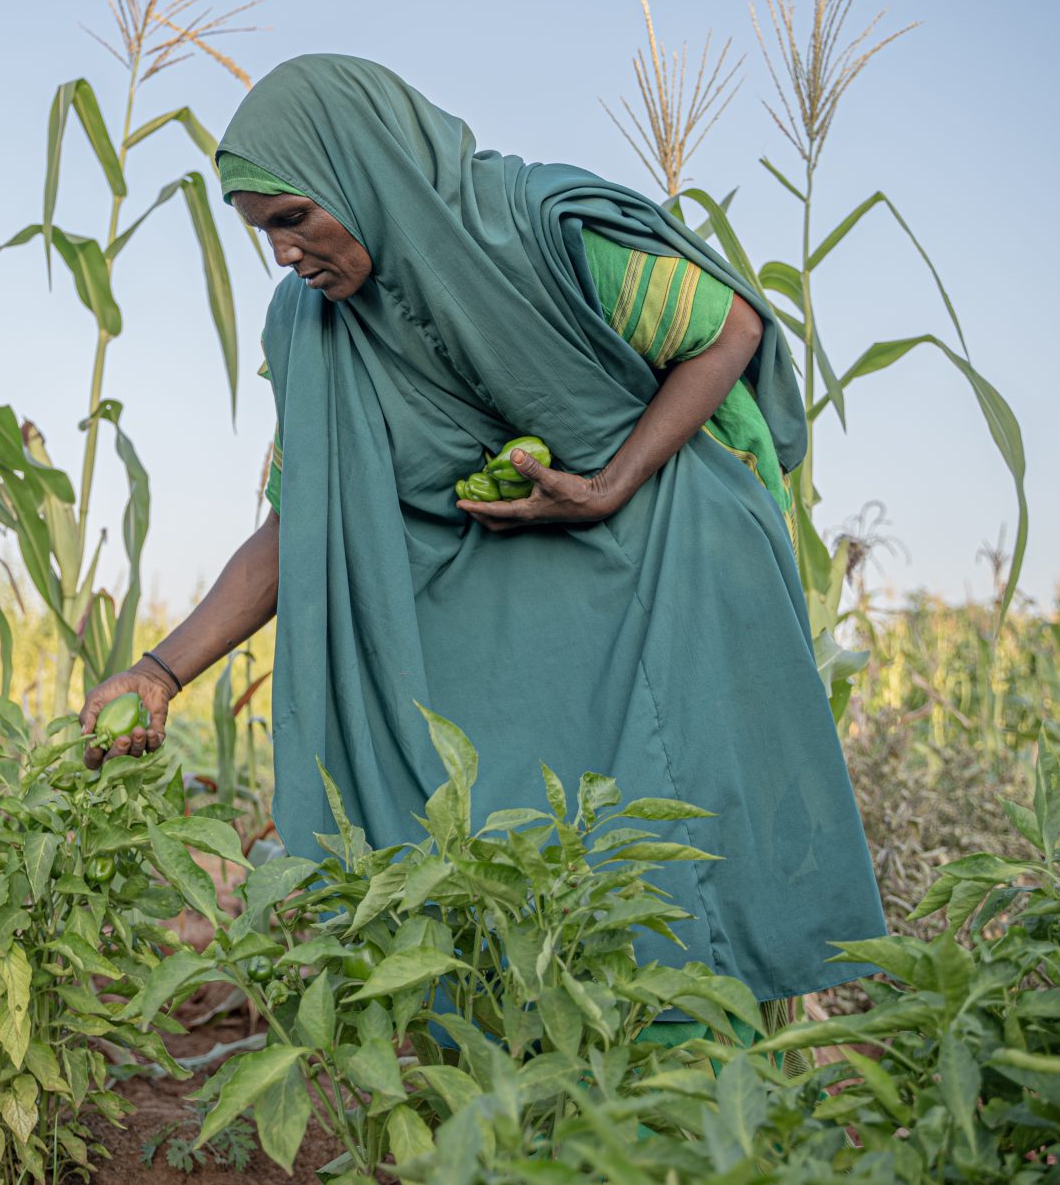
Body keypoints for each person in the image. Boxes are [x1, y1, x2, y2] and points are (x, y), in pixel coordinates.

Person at [78, 53, 886, 1031]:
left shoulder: (535, 235)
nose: (283, 254)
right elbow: (302, 522)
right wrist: (161, 672)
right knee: (523, 882)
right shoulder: (312, 328)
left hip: (670, 564)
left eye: (293, 218)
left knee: (673, 880)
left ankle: (697, 1125)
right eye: (263, 234)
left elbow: (729, 329)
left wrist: (606, 483)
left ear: (360, 169)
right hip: (519, 633)